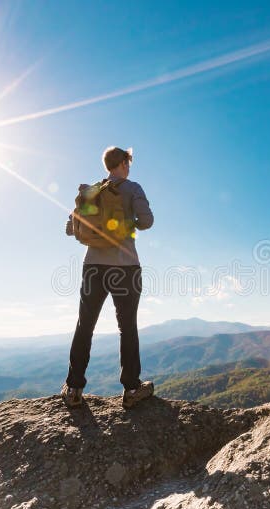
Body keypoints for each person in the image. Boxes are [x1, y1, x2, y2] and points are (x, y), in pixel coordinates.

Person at [61, 146, 155, 409]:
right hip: (125, 267)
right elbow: (147, 221)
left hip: (92, 266)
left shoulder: (92, 191)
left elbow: (71, 229)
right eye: (129, 161)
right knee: (127, 327)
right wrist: (128, 223)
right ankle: (131, 389)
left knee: (85, 325)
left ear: (106, 166)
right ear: (125, 162)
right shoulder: (133, 188)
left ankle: (74, 388)